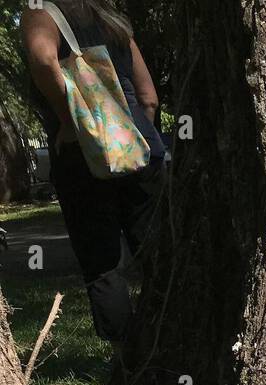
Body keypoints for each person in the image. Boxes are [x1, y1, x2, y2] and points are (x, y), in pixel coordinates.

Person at [22, 1, 166, 343]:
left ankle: (129, 361)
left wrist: (72, 120)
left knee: (103, 265)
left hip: (84, 156)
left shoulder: (40, 12)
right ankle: (173, 342)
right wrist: (137, 131)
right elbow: (149, 96)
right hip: (139, 145)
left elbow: (44, 60)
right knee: (158, 250)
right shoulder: (112, 18)